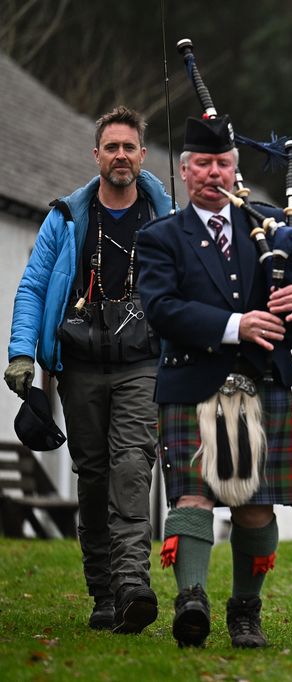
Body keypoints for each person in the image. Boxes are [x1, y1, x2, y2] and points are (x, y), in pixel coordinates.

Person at [135, 115, 292, 649]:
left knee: (254, 506)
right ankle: (192, 602)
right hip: (191, 383)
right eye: (202, 164)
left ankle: (245, 612)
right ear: (184, 173)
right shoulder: (160, 237)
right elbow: (160, 308)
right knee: (192, 497)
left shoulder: (270, 225)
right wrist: (235, 325)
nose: (213, 173)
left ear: (235, 169)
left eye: (222, 163)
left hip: (260, 381)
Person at [5, 106, 173, 633]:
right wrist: (21, 353)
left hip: (142, 364)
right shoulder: (67, 217)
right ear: (95, 154)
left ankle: (132, 586)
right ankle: (103, 591)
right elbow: (33, 287)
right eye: (111, 147)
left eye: (130, 147)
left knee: (131, 468)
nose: (120, 155)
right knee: (95, 477)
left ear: (143, 156)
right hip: (77, 366)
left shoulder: (165, 220)